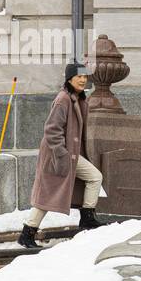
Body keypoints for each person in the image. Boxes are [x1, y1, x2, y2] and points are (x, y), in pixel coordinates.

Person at [18, 64, 104, 249]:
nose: (83, 80)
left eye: (84, 76)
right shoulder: (63, 99)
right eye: (78, 76)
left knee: (94, 177)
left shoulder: (78, 99)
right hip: (57, 156)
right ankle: (27, 233)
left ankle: (87, 218)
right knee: (47, 195)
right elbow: (51, 130)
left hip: (70, 155)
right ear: (69, 79)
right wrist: (62, 154)